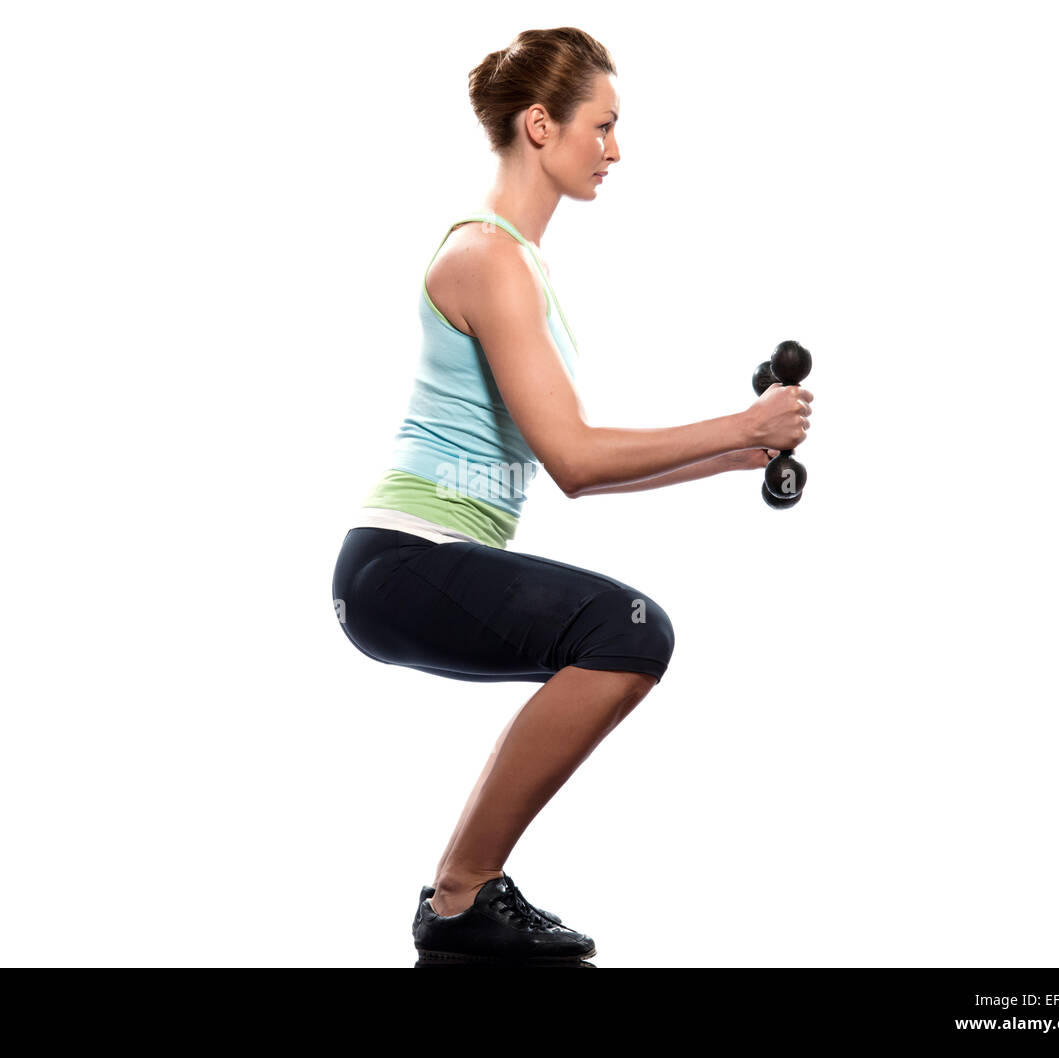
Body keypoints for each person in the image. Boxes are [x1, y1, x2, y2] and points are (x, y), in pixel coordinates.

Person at [330, 27, 813, 963]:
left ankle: (463, 893)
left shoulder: (521, 265)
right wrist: (740, 424)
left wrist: (730, 455)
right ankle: (464, 895)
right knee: (629, 631)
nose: (616, 150)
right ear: (542, 125)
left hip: (419, 563)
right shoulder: (486, 259)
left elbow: (570, 471)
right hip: (398, 562)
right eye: (604, 126)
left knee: (621, 634)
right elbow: (578, 458)